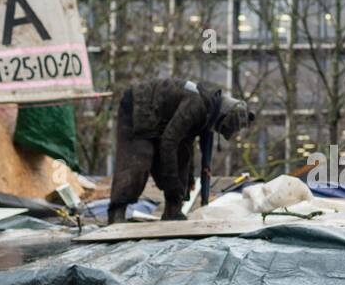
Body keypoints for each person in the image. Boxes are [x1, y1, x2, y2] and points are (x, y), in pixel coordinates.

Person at [107, 77, 254, 224]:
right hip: (138, 105)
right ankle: (117, 213)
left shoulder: (209, 111)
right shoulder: (196, 105)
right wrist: (173, 184)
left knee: (182, 157)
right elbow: (168, 143)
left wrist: (187, 180)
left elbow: (185, 148)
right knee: (138, 161)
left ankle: (173, 210)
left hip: (160, 118)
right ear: (222, 115)